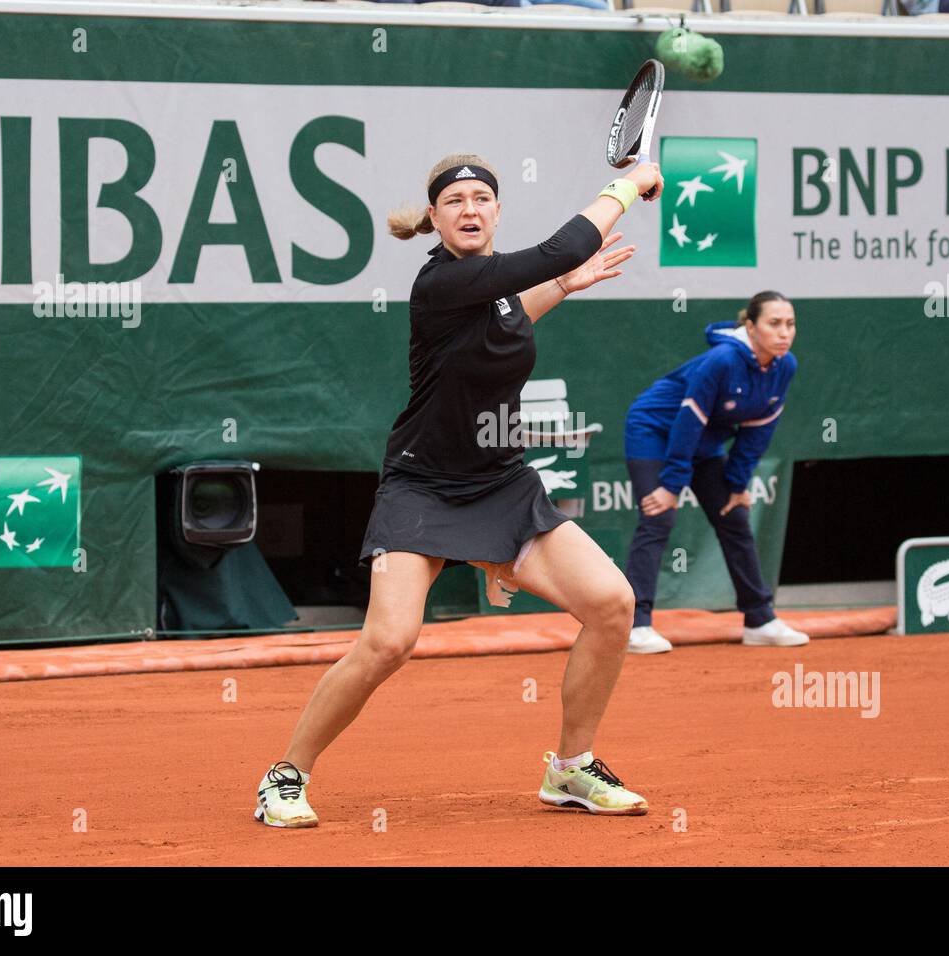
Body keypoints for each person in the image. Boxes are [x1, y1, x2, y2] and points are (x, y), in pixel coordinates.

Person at [253, 152, 665, 827]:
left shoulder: (496, 293)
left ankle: (570, 769)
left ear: (497, 210)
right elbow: (564, 246)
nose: (469, 209)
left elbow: (507, 316)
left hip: (501, 483)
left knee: (612, 604)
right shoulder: (441, 283)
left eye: (481, 198)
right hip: (422, 487)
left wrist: (561, 288)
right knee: (389, 641)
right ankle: (284, 775)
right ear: (437, 218)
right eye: (455, 201)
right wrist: (626, 185)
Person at [622, 292, 808, 654]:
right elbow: (687, 423)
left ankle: (760, 619)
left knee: (734, 515)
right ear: (751, 327)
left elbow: (758, 431)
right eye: (774, 323)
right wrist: (672, 484)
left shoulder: (785, 366)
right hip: (655, 430)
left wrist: (737, 484)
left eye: (790, 324)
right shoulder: (722, 360)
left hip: (703, 443)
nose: (784, 333)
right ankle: (636, 625)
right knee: (658, 516)